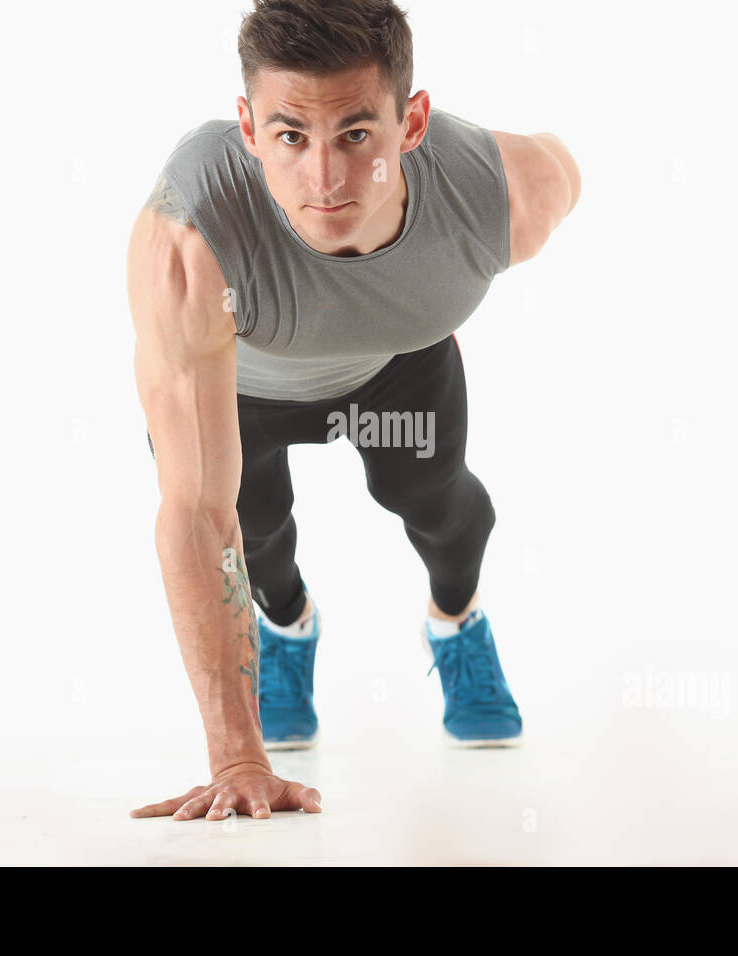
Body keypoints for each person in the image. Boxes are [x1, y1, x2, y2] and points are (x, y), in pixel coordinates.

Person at [127, 0, 579, 823]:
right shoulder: (189, 239)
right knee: (252, 533)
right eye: (291, 135)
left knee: (439, 505)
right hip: (245, 390)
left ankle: (455, 623)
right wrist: (237, 756)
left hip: (396, 369)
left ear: (412, 123)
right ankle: (290, 630)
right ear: (249, 126)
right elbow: (195, 512)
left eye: (356, 135)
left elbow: (561, 163)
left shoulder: (500, 195)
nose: (326, 180)